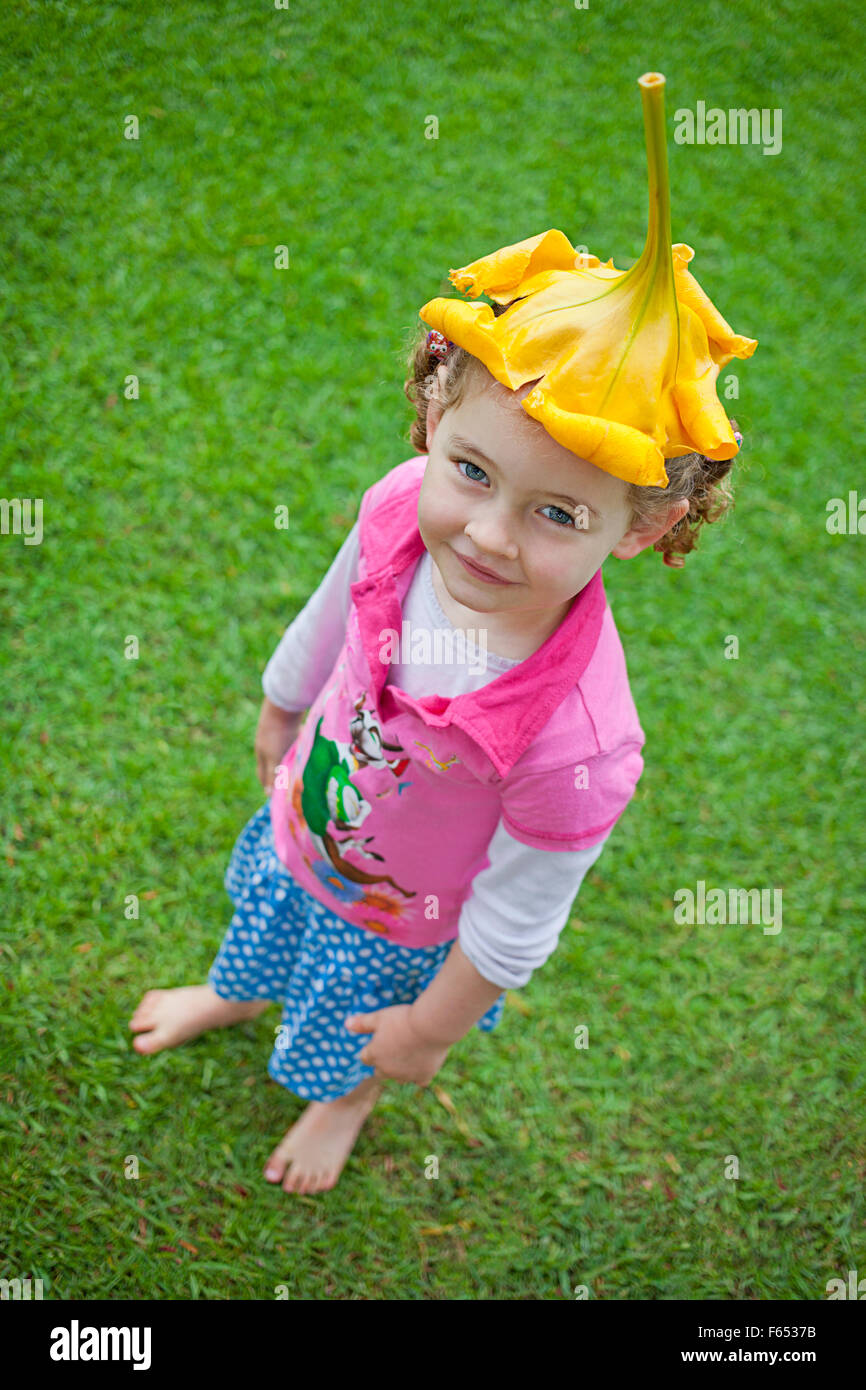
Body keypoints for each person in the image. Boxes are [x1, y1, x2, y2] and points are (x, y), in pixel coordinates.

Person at [128, 71, 756, 1196]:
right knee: (269, 914)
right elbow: (332, 611)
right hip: (314, 817)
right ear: (432, 412)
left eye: (557, 513)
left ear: (642, 524)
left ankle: (344, 1096)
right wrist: (282, 702)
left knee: (350, 1021)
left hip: (404, 928)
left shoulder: (575, 744)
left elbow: (516, 920)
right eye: (469, 470)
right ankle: (233, 989)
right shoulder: (398, 507)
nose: (487, 533)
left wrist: (425, 1031)